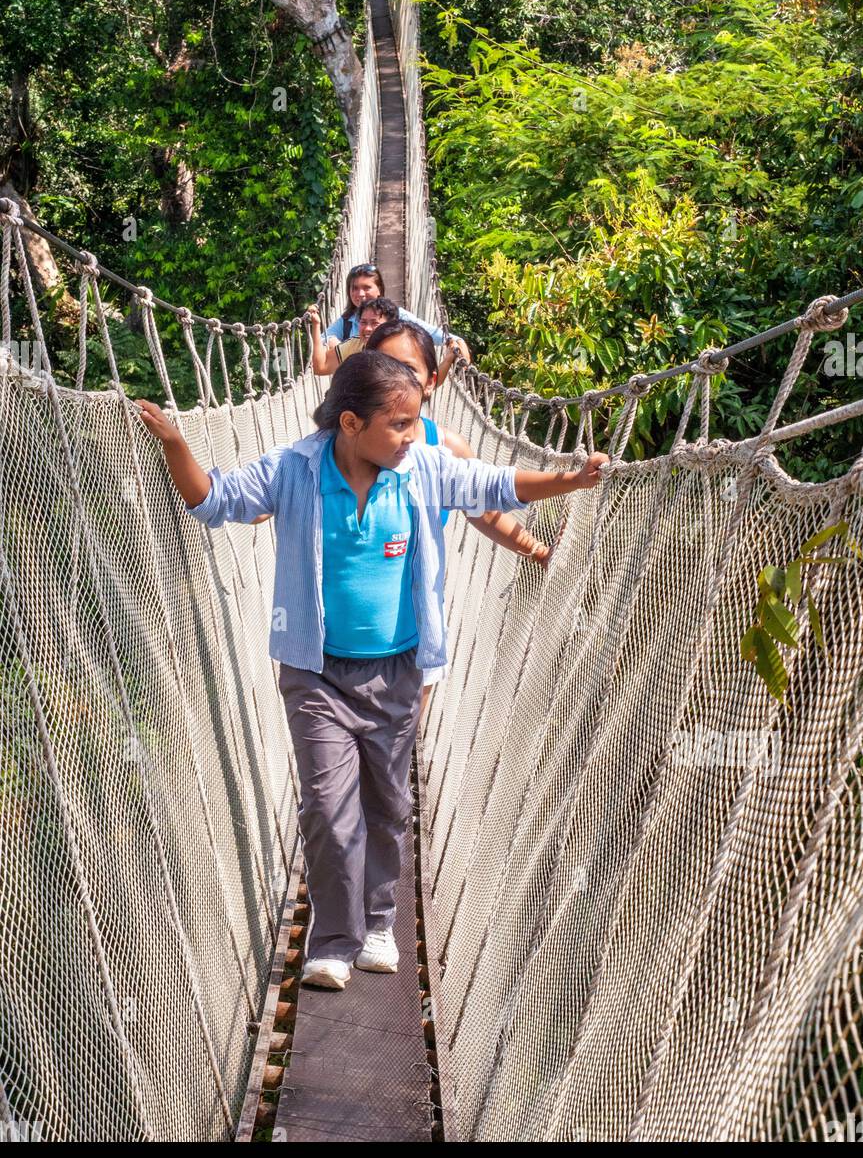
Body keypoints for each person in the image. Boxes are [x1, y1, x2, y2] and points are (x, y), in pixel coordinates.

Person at [135, 357, 607, 992]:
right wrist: (176, 444)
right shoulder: (295, 471)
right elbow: (214, 500)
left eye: (416, 423)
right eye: (401, 424)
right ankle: (333, 939)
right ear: (351, 422)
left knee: (387, 802)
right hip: (315, 672)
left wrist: (568, 481)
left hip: (398, 671)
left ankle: (379, 922)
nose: (414, 436)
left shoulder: (421, 468)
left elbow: (491, 485)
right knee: (329, 808)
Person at [364, 318, 553, 720]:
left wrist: (533, 548)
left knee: (400, 739)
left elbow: (483, 510)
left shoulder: (444, 446)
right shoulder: (346, 442)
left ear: (432, 381)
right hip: (352, 625)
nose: (394, 381)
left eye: (408, 371)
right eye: (381, 367)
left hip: (417, 613)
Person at [324, 262, 471, 368]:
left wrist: (455, 340)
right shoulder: (346, 322)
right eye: (354, 288)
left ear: (379, 290)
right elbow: (322, 340)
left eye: (366, 287)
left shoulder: (396, 315)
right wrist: (332, 341)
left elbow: (430, 332)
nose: (360, 294)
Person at [309, 297, 398, 376]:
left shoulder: (399, 351)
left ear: (390, 326)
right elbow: (320, 367)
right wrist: (316, 324)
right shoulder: (355, 344)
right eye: (363, 322)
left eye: (375, 323)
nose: (367, 328)